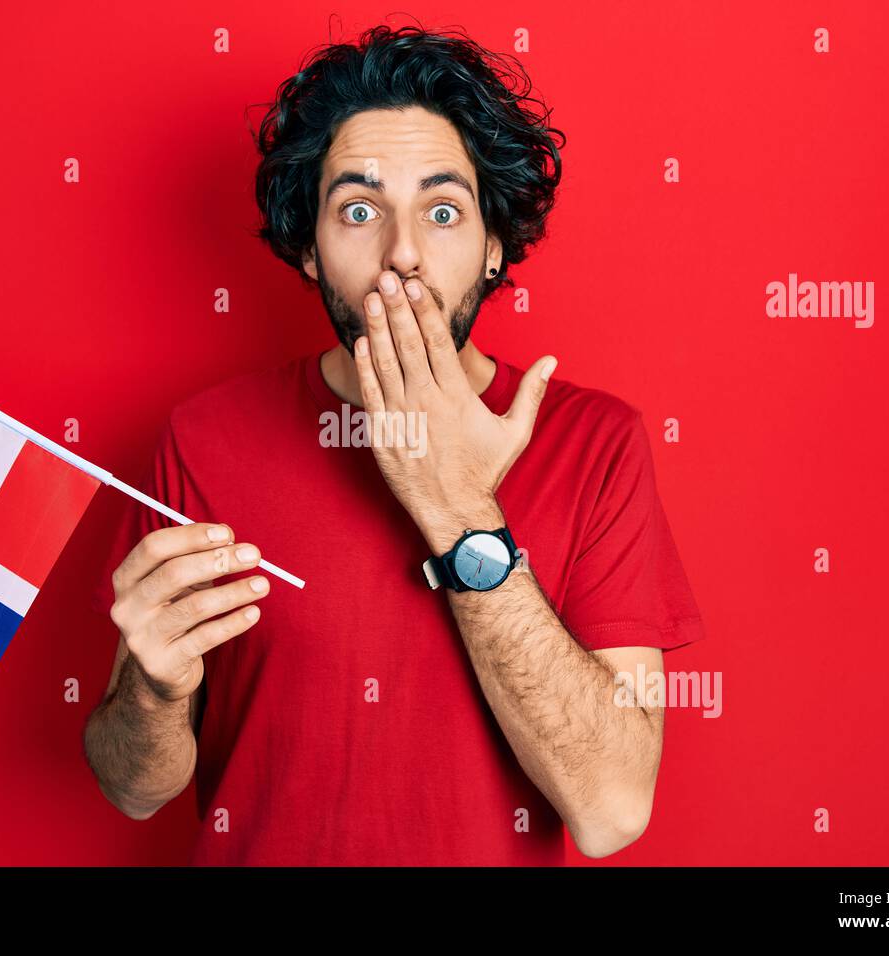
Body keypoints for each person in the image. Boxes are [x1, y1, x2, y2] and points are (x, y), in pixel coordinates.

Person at [83, 23, 706, 866]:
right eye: (359, 210)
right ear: (308, 248)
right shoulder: (203, 439)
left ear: (493, 248)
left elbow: (611, 809)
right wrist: (153, 695)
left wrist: (456, 510)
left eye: (442, 211)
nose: (402, 254)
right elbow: (132, 788)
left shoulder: (595, 443)